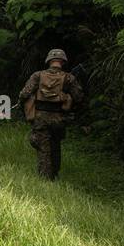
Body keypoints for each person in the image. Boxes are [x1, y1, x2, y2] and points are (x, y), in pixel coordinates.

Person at [18, 48, 84, 180]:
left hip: (40, 117)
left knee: (43, 148)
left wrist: (23, 106)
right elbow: (79, 97)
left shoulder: (38, 76)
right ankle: (54, 174)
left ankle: (45, 179)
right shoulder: (69, 78)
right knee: (55, 145)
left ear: (49, 61)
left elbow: (24, 94)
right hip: (60, 119)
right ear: (63, 62)